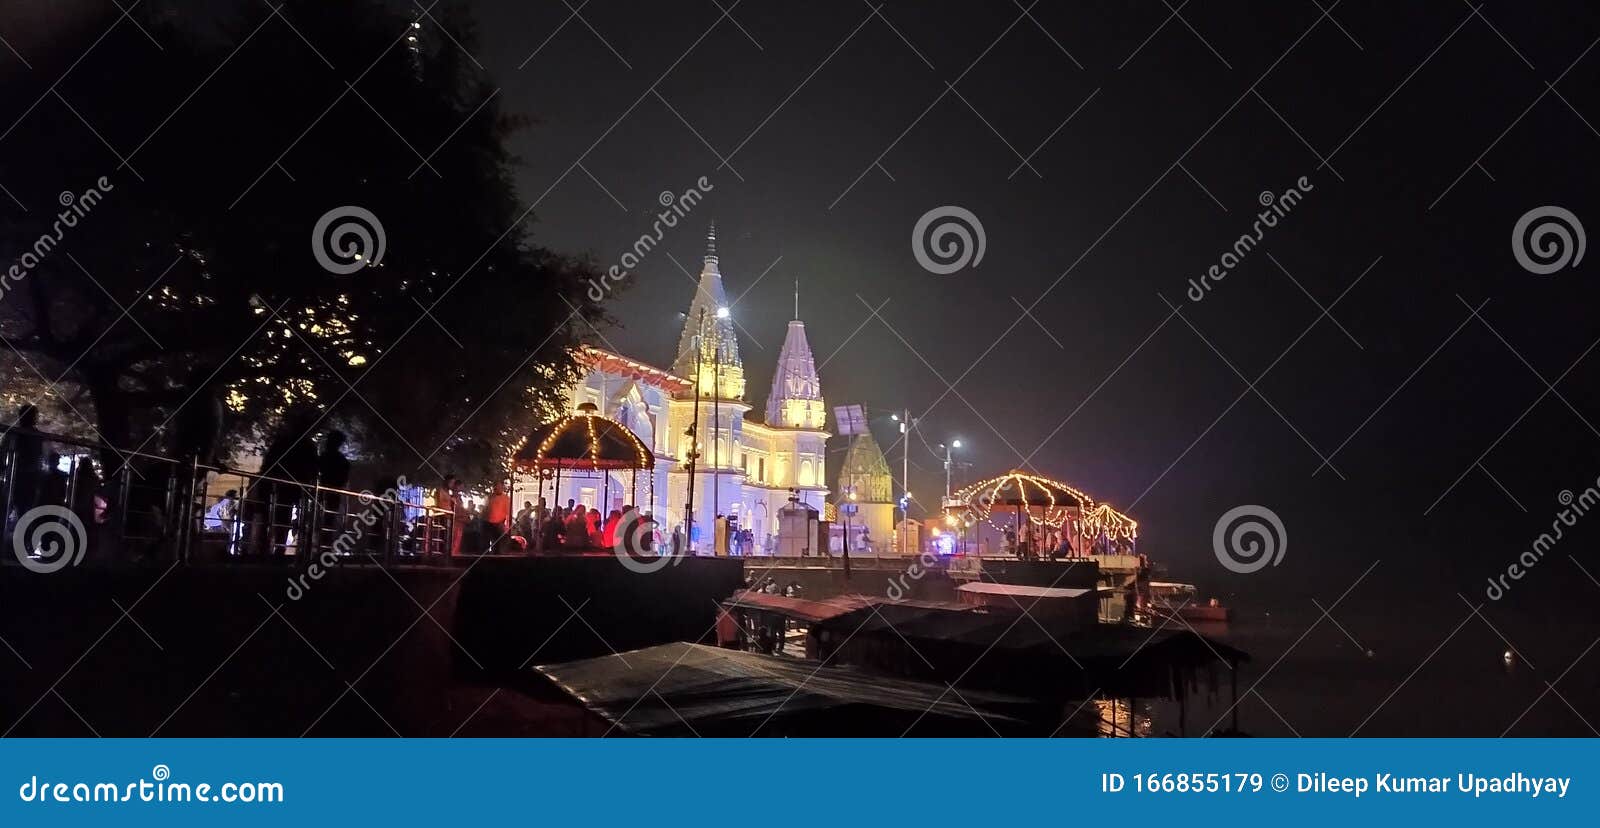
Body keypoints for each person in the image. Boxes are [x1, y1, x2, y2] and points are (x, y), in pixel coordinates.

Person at [484, 481, 511, 553]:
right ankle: (492, 554)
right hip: (489, 522)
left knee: (498, 541)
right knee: (491, 540)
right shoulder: (491, 497)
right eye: (496, 486)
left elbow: (508, 511)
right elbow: (487, 508)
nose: (498, 488)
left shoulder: (506, 498)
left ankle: (498, 555)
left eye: (500, 486)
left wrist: (506, 524)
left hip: (500, 522)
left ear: (502, 487)